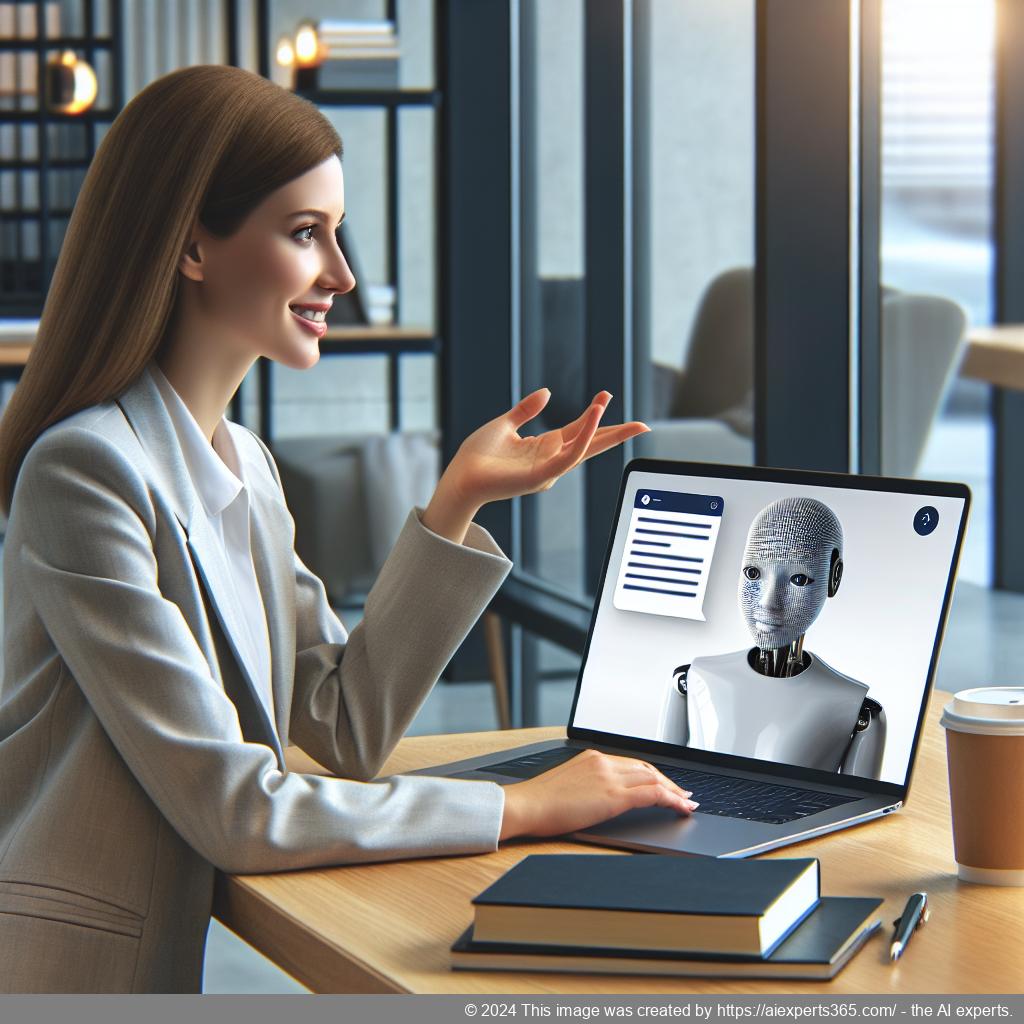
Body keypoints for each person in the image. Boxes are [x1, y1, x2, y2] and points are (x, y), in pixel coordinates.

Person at [0, 65, 698, 994]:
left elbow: (344, 723)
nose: (343, 274)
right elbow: (234, 809)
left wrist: (456, 504)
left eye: (336, 232)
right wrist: (521, 806)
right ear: (192, 246)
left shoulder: (243, 462)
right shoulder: (84, 472)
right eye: (305, 234)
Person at [658, 497, 886, 776]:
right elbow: (660, 781)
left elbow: (859, 811)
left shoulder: (858, 712)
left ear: (833, 576)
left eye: (798, 579)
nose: (768, 602)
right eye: (753, 573)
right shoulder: (690, 681)